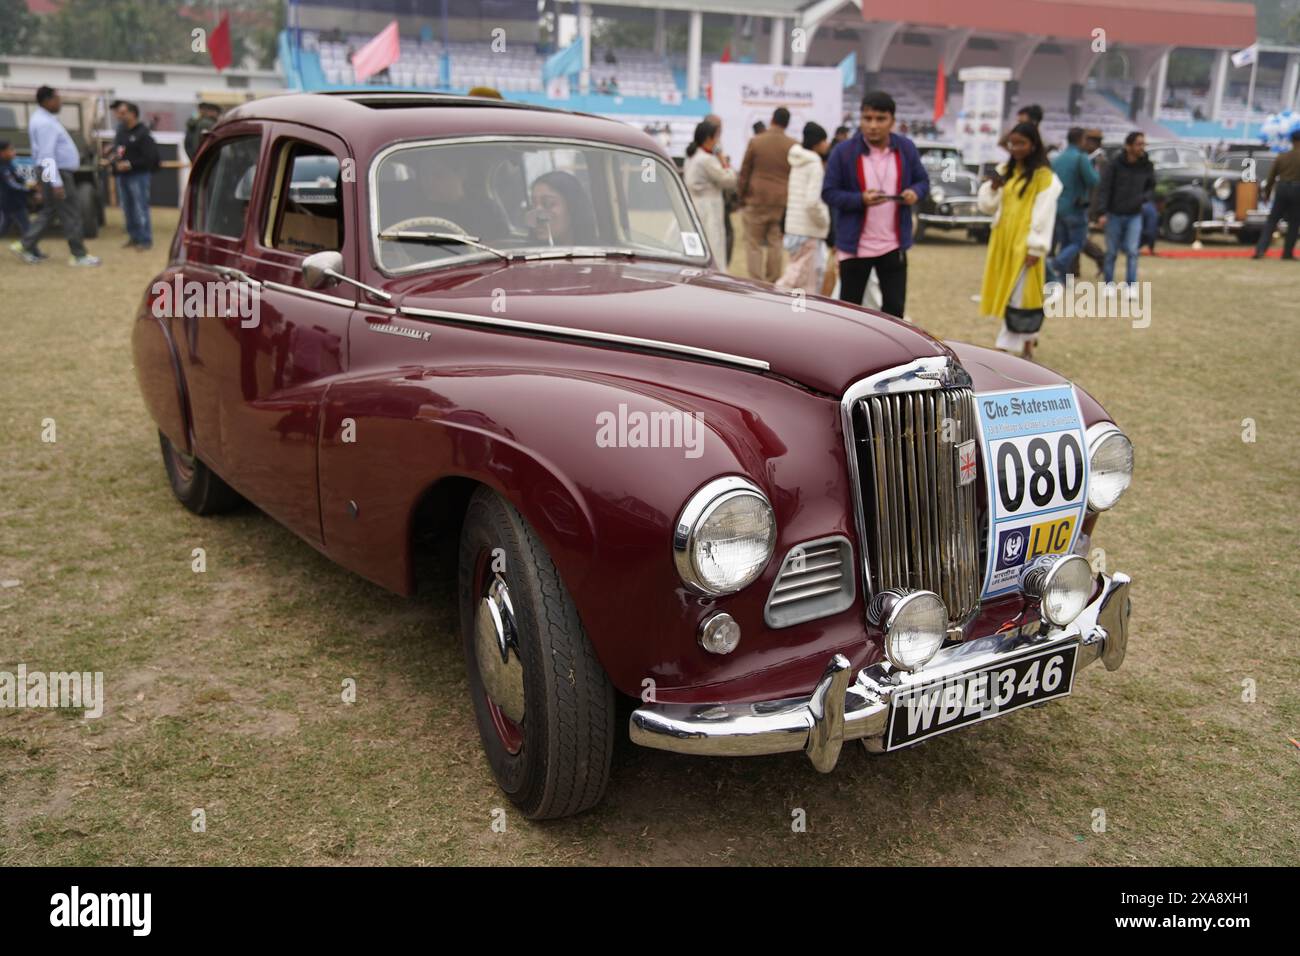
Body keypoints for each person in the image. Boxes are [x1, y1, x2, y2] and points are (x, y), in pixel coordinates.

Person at [821, 90, 929, 317]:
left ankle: (888, 353)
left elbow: (923, 181)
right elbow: (829, 193)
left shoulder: (905, 148)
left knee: (894, 311)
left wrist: (914, 192)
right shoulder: (843, 152)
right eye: (867, 119)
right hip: (855, 246)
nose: (873, 125)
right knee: (850, 312)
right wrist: (860, 199)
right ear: (860, 119)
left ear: (892, 121)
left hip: (893, 244)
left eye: (880, 119)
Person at [978, 121, 1061, 360]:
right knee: (1014, 291)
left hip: (1026, 242)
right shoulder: (1006, 170)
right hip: (1003, 238)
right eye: (1012, 143)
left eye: (1021, 143)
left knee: (1019, 293)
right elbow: (987, 206)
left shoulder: (1044, 177)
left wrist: (1036, 246)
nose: (1015, 148)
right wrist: (993, 188)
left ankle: (1003, 346)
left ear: (1034, 145)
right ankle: (1028, 341)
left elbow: (1044, 214)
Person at [15, 86, 99, 266]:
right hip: (57, 171)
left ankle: (26, 244)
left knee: (51, 209)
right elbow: (47, 154)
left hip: (50, 170)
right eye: (57, 98)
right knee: (71, 211)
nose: (60, 102)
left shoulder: (42, 119)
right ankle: (79, 255)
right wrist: (56, 182)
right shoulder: (45, 123)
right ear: (47, 101)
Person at [737, 107, 796, 282]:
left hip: (756, 199)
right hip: (781, 201)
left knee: (753, 244)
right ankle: (772, 282)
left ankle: (755, 282)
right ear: (787, 123)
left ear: (772, 119)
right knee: (775, 242)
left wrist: (741, 196)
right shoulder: (793, 145)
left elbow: (744, 172)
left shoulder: (756, 142)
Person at [775, 121, 831, 294]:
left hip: (794, 228)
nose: (826, 145)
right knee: (805, 283)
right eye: (824, 141)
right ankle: (780, 300)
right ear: (817, 143)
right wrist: (824, 219)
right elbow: (812, 202)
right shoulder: (814, 166)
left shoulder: (796, 163)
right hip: (808, 230)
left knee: (797, 276)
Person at [1097, 131, 1155, 293]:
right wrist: (1102, 212)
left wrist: (1144, 199)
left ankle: (1131, 285)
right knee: (1111, 252)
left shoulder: (1147, 165)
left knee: (1132, 251)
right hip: (1114, 213)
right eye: (1138, 144)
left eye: (1143, 144)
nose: (1142, 147)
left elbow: (1151, 186)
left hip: (1135, 214)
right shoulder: (1114, 165)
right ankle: (1108, 284)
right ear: (1128, 146)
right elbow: (1105, 188)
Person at [1045, 127, 1098, 282]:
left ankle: (1063, 279)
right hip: (1075, 207)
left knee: (1064, 243)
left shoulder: (1057, 159)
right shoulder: (1081, 158)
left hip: (1058, 207)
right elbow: (1093, 180)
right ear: (1081, 140)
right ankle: (1055, 263)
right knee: (1078, 243)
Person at [683, 119, 736, 269]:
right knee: (714, 245)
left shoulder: (692, 156)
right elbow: (729, 179)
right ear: (708, 138)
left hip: (694, 205)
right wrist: (723, 160)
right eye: (716, 137)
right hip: (708, 208)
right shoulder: (707, 160)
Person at [114, 102, 160, 251]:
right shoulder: (120, 131)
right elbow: (119, 150)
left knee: (141, 208)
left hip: (139, 175)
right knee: (127, 208)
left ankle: (145, 239)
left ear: (132, 114)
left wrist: (130, 164)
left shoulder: (143, 133)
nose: (118, 116)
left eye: (122, 113)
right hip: (123, 176)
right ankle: (134, 236)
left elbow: (150, 158)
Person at [1252, 128, 1300, 260]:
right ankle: (1287, 253)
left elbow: (1271, 177)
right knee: (1294, 222)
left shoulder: (1282, 156)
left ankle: (1260, 250)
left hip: (1282, 188)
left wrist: (1266, 194)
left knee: (1272, 220)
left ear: (1291, 141)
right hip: (1297, 190)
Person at [528, 170, 596, 247]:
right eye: (533, 205)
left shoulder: (601, 254)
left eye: (548, 204)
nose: (537, 215)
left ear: (573, 209)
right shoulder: (523, 256)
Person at [703, 113, 737, 264]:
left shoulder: (709, 148)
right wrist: (724, 161)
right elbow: (727, 177)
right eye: (719, 129)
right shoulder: (711, 150)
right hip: (712, 201)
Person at [1, 140, 32, 241]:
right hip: (12, 202)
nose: (14, 152)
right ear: (2, 153)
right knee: (27, 227)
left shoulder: (9, 165)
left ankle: (31, 249)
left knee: (5, 226)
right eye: (11, 150)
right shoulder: (3, 168)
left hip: (13, 201)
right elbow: (12, 185)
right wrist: (28, 189)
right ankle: (31, 250)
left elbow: (19, 179)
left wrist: (28, 185)